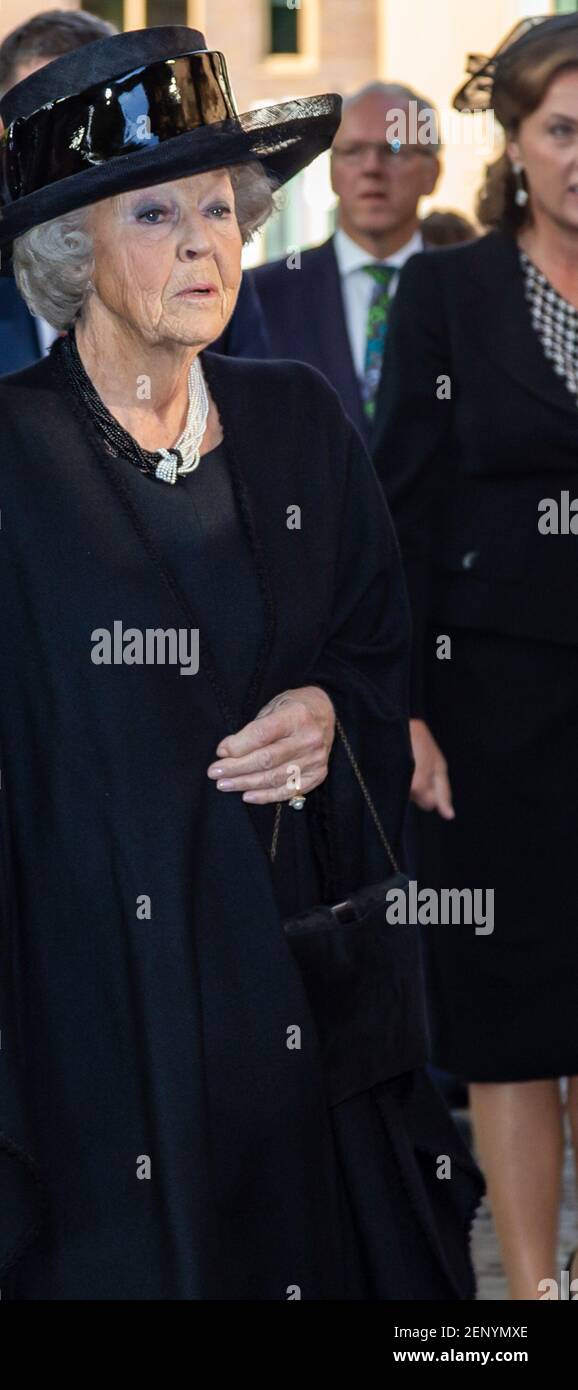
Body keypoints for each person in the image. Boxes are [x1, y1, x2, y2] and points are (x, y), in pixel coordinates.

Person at [0, 26, 484, 1301]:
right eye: (153, 213)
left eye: (220, 207)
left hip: (275, 988)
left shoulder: (300, 429)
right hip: (61, 1008)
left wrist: (330, 710)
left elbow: (378, 658)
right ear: (67, 250)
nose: (204, 242)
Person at [0, 9, 267, 624]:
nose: (82, 146)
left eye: (98, 115)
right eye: (54, 121)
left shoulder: (203, 287)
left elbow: (264, 482)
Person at [372, 12, 578, 1301]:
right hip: (491, 719)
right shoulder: (447, 291)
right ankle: (529, 1294)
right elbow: (397, 506)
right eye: (561, 129)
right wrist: (401, 709)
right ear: (513, 137)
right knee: (509, 1026)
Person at [251, 83, 442, 445]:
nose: (372, 168)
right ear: (333, 172)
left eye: (394, 149)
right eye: (352, 151)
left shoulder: (472, 295)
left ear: (432, 173)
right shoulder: (261, 295)